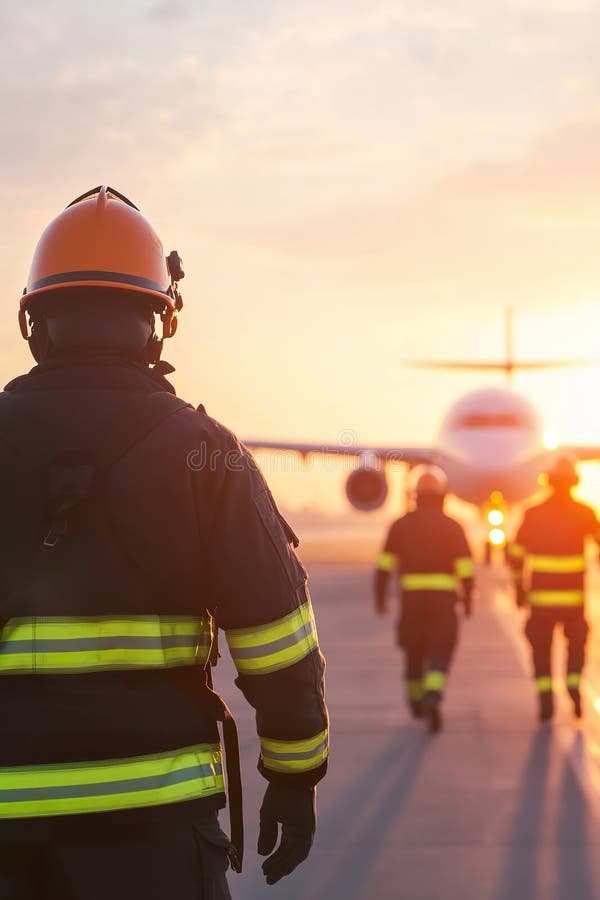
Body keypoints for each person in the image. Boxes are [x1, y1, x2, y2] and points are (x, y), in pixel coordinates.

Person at [0, 186, 329, 899]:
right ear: (160, 324)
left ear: (34, 323)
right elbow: (278, 639)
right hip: (154, 835)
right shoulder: (206, 455)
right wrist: (294, 779)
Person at [374, 465, 474, 732]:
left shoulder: (401, 525)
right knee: (442, 650)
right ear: (443, 494)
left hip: (412, 603)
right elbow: (466, 567)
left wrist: (380, 598)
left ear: (415, 494)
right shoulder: (453, 527)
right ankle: (434, 695)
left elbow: (384, 566)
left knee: (414, 652)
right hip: (443, 602)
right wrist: (469, 599)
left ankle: (416, 700)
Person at [508, 454, 600, 722]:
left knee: (540, 648)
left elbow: (515, 553)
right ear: (574, 482)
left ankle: (545, 697)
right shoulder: (584, 512)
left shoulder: (533, 514)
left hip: (540, 600)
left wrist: (518, 588)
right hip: (574, 601)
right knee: (577, 645)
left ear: (548, 481)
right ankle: (573, 685)